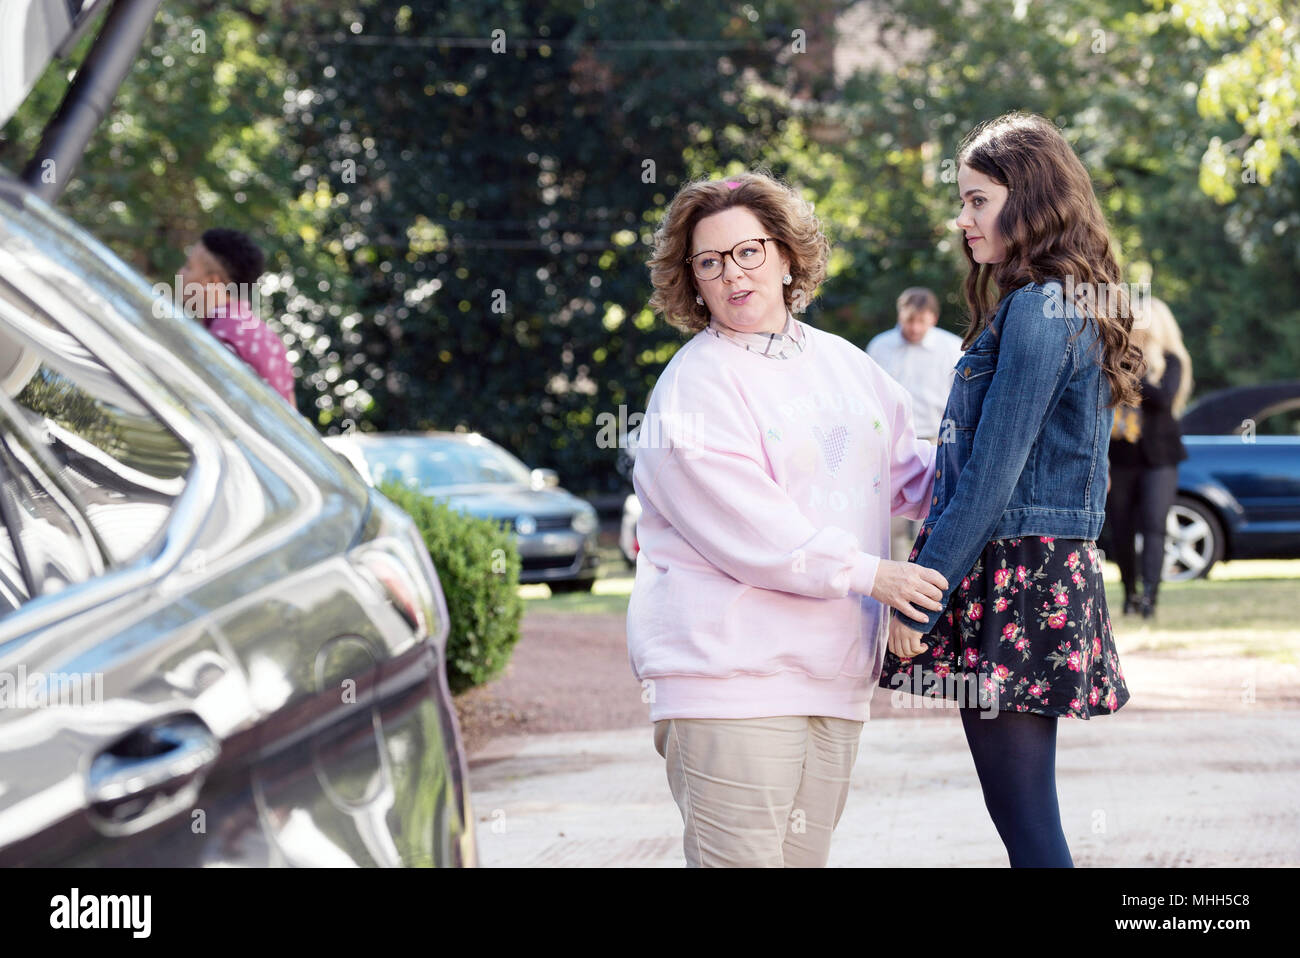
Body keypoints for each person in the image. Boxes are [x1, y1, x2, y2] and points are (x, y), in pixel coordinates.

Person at [627, 170, 948, 867]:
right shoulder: (695, 384)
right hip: (727, 678)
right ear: (692, 279)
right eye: (709, 262)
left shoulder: (847, 365)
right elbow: (753, 531)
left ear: (785, 254)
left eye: (748, 251)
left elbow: (914, 477)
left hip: (834, 673)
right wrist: (875, 576)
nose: (732, 274)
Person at [878, 113, 1142, 868]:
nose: (962, 220)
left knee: (1029, 832)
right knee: (1029, 825)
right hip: (1035, 574)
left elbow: (994, 470)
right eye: (962, 202)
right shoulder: (1061, 301)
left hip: (1017, 579)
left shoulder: (1037, 309)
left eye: (977, 200)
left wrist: (919, 593)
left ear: (1028, 200)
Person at [1106, 297, 1192, 618]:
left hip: (1160, 459)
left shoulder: (1172, 360)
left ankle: (1151, 599)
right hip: (1121, 457)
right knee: (1122, 528)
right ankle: (1130, 594)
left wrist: (1133, 371)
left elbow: (1164, 399)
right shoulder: (1116, 357)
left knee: (1155, 525)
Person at [866, 287, 965, 559]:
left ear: (933, 318)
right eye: (909, 319)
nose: (914, 327)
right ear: (900, 315)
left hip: (937, 440)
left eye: (920, 320)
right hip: (892, 443)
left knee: (933, 519)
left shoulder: (951, 348)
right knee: (891, 523)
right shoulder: (880, 346)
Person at [178, 228, 296, 405]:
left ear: (212, 281)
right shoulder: (267, 337)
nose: (180, 273)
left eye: (188, 267)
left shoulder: (222, 339)